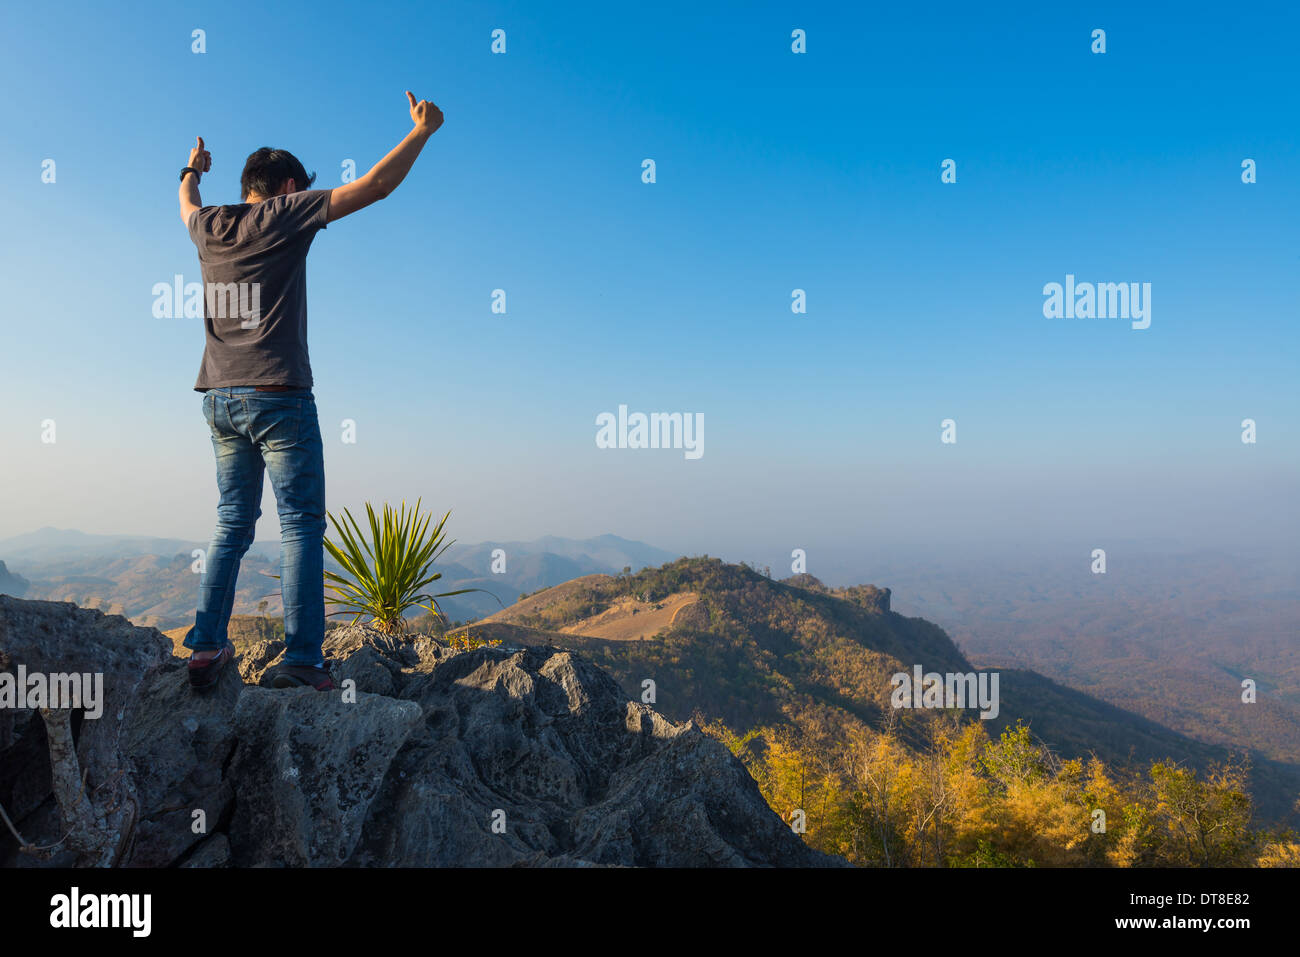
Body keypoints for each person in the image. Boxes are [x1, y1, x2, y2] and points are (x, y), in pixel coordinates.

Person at [178, 91, 444, 691]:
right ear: (290, 185)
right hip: (279, 395)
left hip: (219, 399)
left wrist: (193, 166)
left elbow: (184, 200)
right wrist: (422, 132)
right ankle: (302, 660)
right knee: (299, 525)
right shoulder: (286, 214)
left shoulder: (210, 226)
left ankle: (205, 648)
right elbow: (375, 186)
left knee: (231, 524)